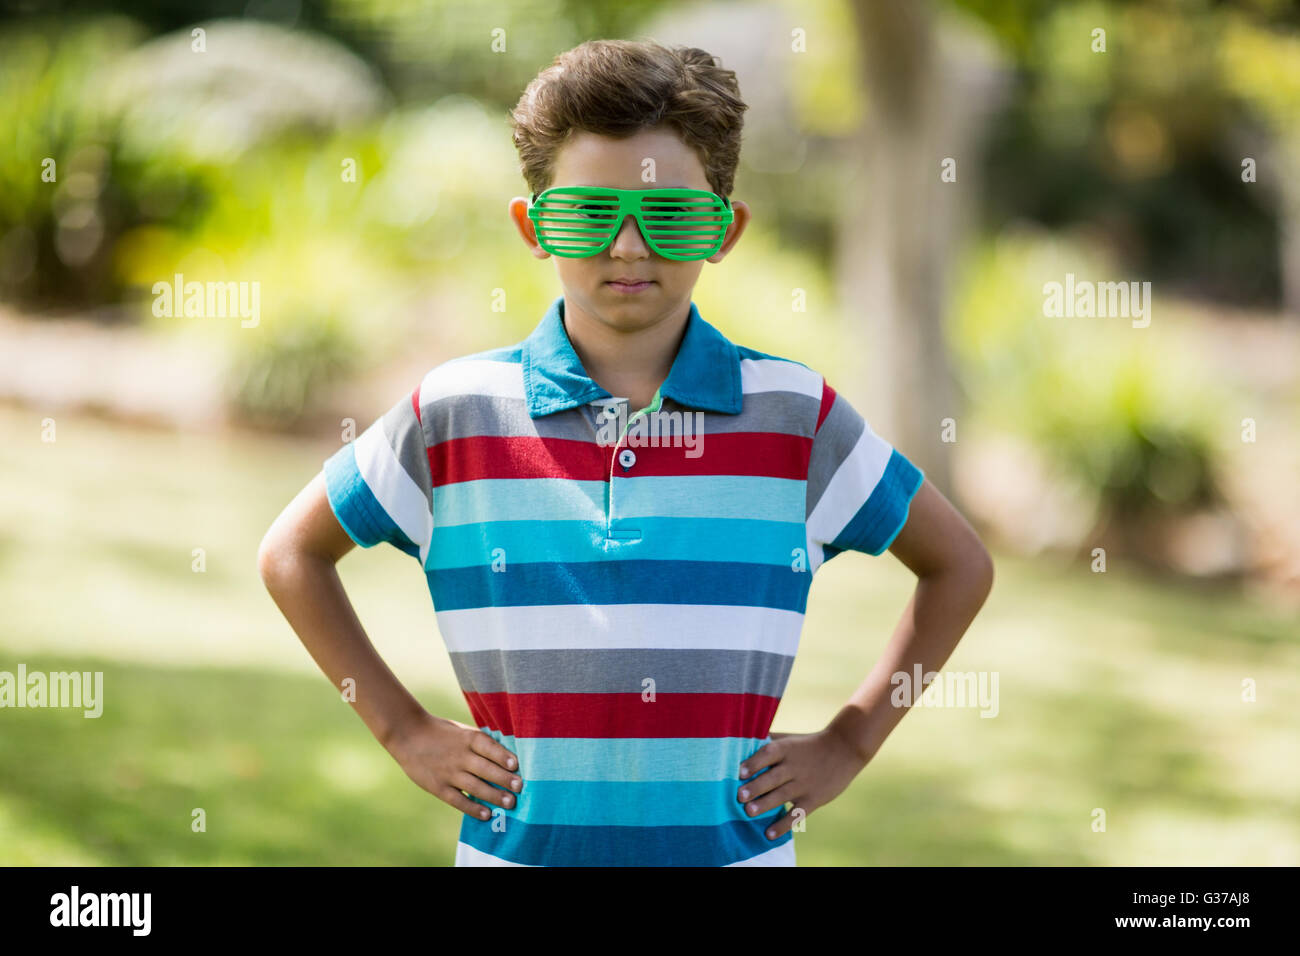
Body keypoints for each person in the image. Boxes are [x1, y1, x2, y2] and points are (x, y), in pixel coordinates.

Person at [257, 38, 994, 866]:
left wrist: (851, 741)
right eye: (589, 215)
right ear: (534, 228)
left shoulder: (796, 417)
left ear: (725, 229)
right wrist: (402, 729)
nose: (630, 246)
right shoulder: (455, 414)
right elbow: (294, 553)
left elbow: (958, 564)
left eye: (671, 215)